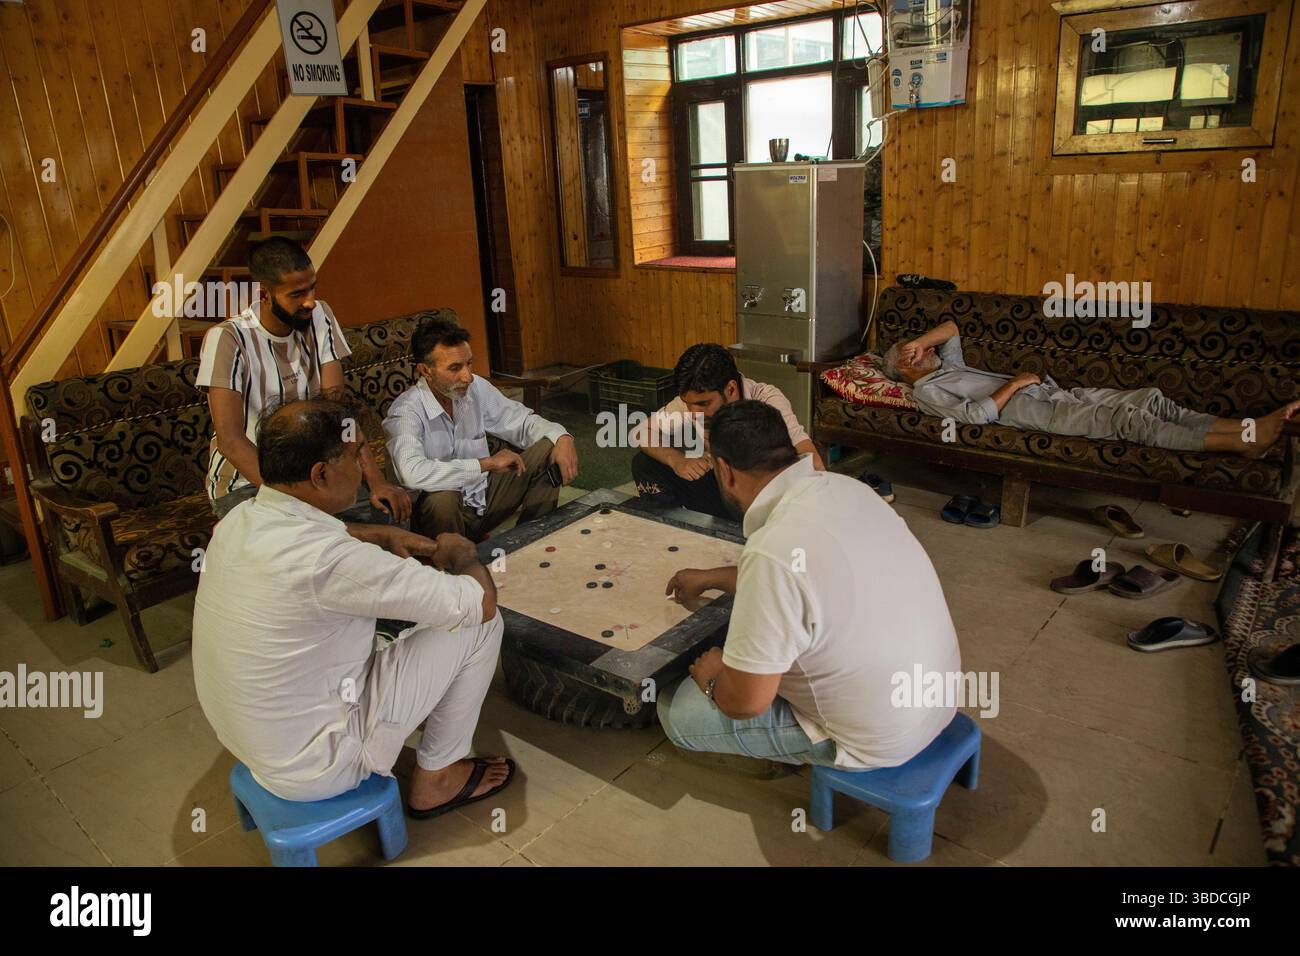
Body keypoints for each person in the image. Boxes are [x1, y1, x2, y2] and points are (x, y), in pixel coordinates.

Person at [192, 395, 514, 817]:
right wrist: (463, 556)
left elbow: (316, 539)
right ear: (321, 474)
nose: (366, 465)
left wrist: (380, 535)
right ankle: (439, 778)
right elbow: (478, 605)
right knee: (480, 626)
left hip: (250, 743)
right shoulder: (335, 561)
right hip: (319, 770)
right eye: (357, 453)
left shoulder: (236, 520)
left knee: (369, 636)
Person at [656, 400, 961, 769]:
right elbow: (806, 576)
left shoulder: (772, 549)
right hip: (936, 701)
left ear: (725, 470)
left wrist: (714, 679)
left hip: (881, 740)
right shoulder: (848, 489)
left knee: (677, 711)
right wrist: (712, 578)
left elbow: (746, 703)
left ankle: (802, 751)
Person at [196, 236, 410, 522]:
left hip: (314, 474)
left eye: (312, 288)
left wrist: (375, 479)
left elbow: (337, 411)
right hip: (247, 483)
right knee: (309, 541)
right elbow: (231, 441)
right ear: (264, 294)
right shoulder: (228, 339)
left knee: (386, 515)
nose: (309, 301)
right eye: (296, 294)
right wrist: (297, 503)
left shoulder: (320, 315)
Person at [882, 320, 1300, 457]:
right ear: (904, 371)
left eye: (917, 349)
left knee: (1148, 398)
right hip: (1038, 412)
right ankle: (1242, 441)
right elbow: (975, 416)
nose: (919, 353)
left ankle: (1246, 430)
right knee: (1129, 420)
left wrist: (920, 342)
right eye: (909, 356)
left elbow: (952, 328)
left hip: (1056, 393)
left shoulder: (948, 363)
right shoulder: (926, 392)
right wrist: (1014, 384)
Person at [383, 316, 580, 539]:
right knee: (443, 497)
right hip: (437, 520)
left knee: (548, 447)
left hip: (482, 500)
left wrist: (563, 437)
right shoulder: (406, 412)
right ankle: (455, 566)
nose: (467, 377)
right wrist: (487, 464)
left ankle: (531, 541)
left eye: (469, 363)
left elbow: (523, 422)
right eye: (455, 368)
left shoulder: (476, 389)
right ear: (426, 371)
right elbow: (412, 474)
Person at [631, 343, 824, 519]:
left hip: (756, 496)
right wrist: (677, 460)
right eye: (688, 404)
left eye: (703, 403)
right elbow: (643, 430)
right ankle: (672, 529)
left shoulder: (767, 400)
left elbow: (814, 463)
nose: (693, 412)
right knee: (645, 463)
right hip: (722, 486)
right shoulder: (693, 402)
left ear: (731, 389)